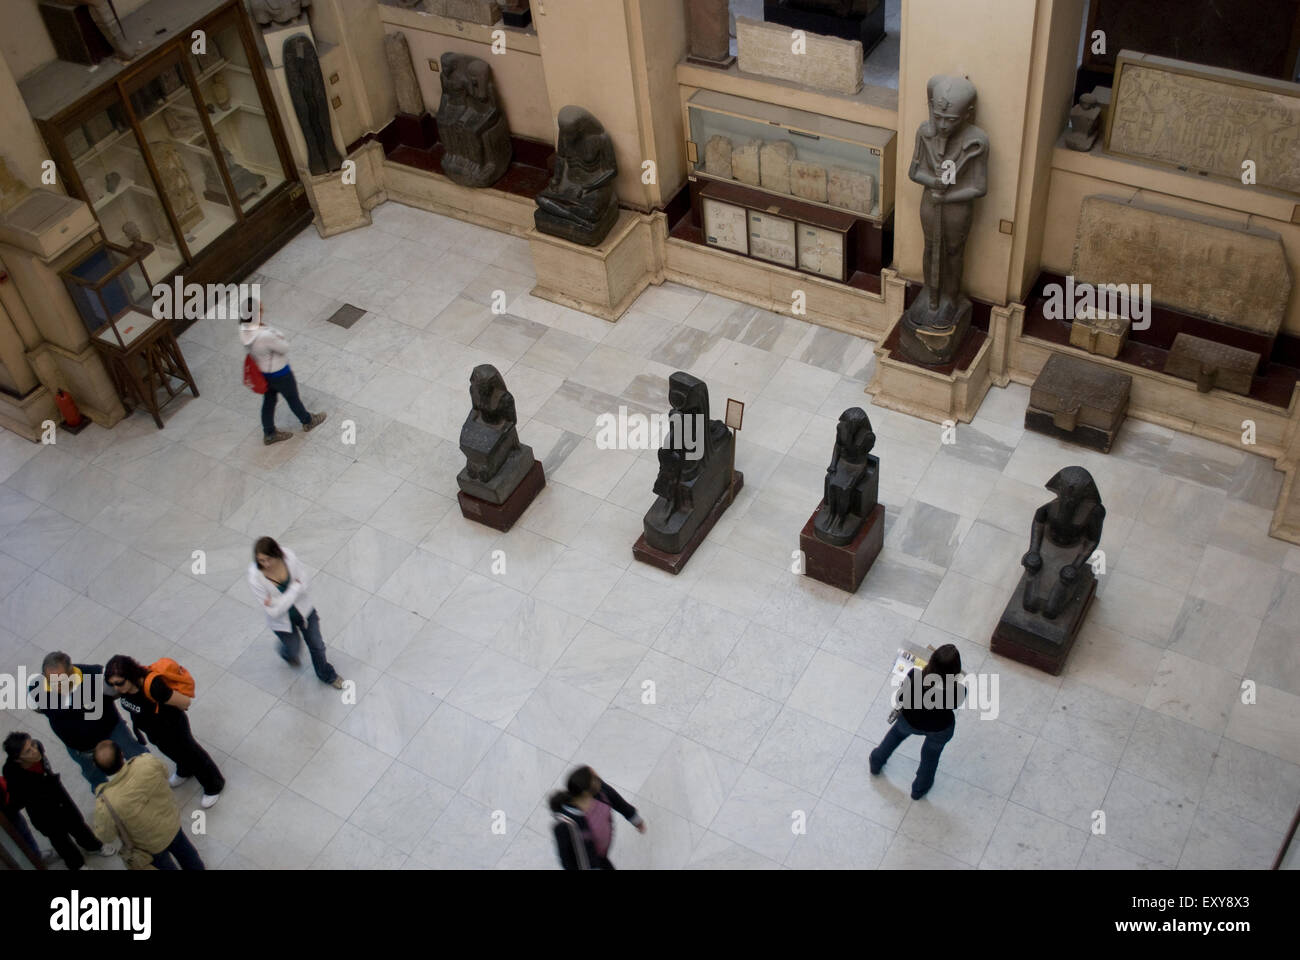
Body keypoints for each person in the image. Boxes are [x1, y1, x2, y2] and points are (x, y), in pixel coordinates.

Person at [103, 656, 224, 809]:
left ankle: (214, 784)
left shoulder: (154, 686)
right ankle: (185, 770)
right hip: (155, 732)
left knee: (192, 754)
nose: (116, 688)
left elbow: (184, 702)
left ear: (131, 675)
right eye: (112, 684)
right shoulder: (124, 690)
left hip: (173, 728)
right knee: (173, 753)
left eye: (119, 683)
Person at [27, 652, 149, 791]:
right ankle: (105, 798)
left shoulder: (96, 676)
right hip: (79, 749)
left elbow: (118, 692)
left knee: (137, 756)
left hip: (112, 732)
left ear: (71, 672)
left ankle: (150, 775)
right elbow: (37, 707)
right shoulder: (36, 688)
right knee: (94, 777)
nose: (56, 686)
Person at [2, 733, 117, 870]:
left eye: (32, 744)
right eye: (28, 751)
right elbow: (18, 800)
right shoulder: (14, 775)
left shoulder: (39, 747)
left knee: (77, 824)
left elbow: (46, 769)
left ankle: (93, 846)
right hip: (43, 812)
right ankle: (77, 865)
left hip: (59, 796)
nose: (34, 750)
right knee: (61, 841)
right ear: (18, 760)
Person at [869, 644, 965, 800]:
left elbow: (900, 698)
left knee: (895, 736)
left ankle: (876, 761)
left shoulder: (915, 675)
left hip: (910, 719)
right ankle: (919, 788)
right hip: (939, 728)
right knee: (931, 756)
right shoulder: (957, 691)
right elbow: (955, 704)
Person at [247, 536, 345, 689]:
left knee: (317, 645)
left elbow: (305, 583)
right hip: (282, 623)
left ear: (276, 553)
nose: (265, 564)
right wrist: (293, 589)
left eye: (268, 559)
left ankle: (327, 674)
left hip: (305, 612)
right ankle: (286, 653)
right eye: (261, 560)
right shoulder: (255, 578)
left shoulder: (289, 558)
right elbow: (274, 613)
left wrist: (276, 601)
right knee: (293, 648)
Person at [92, 742, 204, 871]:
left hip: (149, 846)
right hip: (171, 824)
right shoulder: (146, 762)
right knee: (187, 855)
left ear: (96, 767)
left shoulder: (106, 803)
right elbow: (165, 772)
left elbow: (106, 836)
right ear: (122, 754)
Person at [239, 297, 326, 445]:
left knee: (269, 401)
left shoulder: (245, 331)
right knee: (292, 398)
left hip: (264, 373)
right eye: (260, 309)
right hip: (280, 373)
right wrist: (276, 334)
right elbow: (284, 347)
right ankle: (308, 421)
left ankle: (269, 433)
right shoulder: (265, 335)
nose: (263, 309)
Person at [548, 766, 646, 870]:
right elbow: (567, 860)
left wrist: (635, 819)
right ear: (586, 791)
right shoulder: (565, 825)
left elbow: (617, 801)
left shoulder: (601, 792)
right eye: (594, 778)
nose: (598, 778)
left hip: (601, 856)